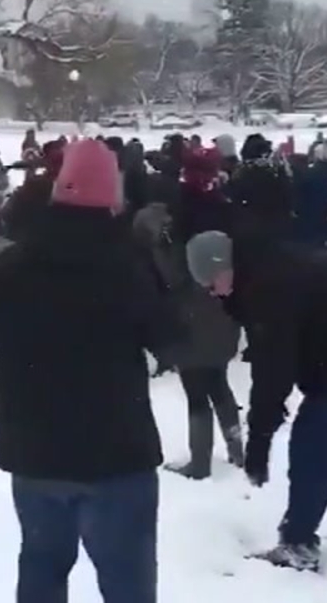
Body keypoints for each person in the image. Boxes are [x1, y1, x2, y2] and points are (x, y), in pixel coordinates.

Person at [0, 139, 182, 603]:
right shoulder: (126, 263)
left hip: (34, 450)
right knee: (127, 579)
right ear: (112, 195)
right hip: (114, 452)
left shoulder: (17, 261)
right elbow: (169, 335)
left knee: (42, 565)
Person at [185, 228, 327, 572]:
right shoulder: (267, 265)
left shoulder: (266, 287)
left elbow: (274, 369)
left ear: (223, 265)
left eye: (211, 280)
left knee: (313, 445)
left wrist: (259, 438)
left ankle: (298, 543)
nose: (210, 291)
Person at [131, 201, 243, 479]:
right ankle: (237, 448)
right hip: (220, 321)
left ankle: (200, 462)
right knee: (220, 386)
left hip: (190, 329)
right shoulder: (196, 234)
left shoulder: (163, 252)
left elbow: (167, 287)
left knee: (196, 396)